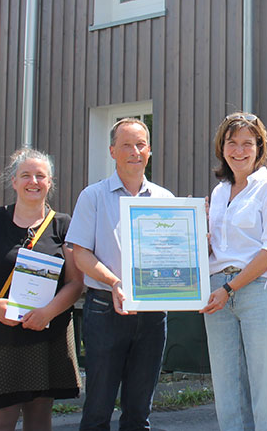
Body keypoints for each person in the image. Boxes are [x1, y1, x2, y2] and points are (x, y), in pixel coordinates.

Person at [0, 148, 82, 431]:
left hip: (47, 335)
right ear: (13, 182)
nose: (33, 181)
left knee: (39, 421)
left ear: (50, 182)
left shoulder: (64, 225)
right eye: (25, 175)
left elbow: (76, 282)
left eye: (40, 176)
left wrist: (48, 312)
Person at [66, 118, 174, 431]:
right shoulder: (93, 196)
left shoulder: (166, 200)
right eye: (126, 144)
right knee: (98, 409)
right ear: (112, 150)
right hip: (105, 309)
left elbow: (174, 253)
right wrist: (115, 283)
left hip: (153, 313)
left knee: (139, 413)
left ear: (150, 151)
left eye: (140, 144)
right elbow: (80, 253)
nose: (134, 151)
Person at [200, 112, 267, 431]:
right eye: (232, 143)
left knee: (265, 394)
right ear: (221, 147)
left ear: (259, 147)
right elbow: (219, 248)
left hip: (260, 291)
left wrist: (230, 289)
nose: (239, 150)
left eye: (247, 143)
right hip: (217, 292)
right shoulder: (220, 191)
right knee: (227, 393)